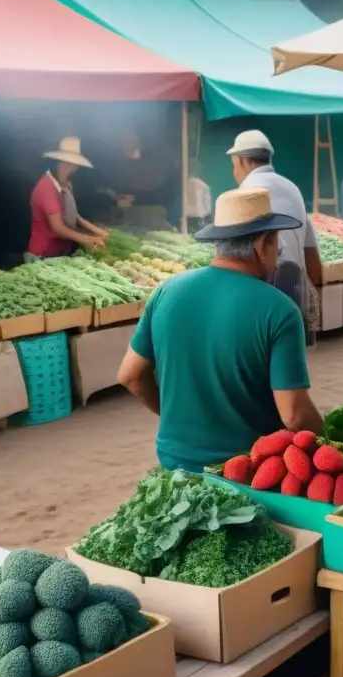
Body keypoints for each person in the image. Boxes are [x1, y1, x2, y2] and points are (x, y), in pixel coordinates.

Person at [117, 187, 323, 473]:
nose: (277, 253)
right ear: (263, 244)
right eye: (275, 243)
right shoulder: (279, 310)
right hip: (248, 471)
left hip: (175, 464)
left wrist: (174, 417)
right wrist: (330, 441)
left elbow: (130, 375)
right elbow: (295, 416)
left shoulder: (166, 292)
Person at [228, 130, 323, 342]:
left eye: (234, 164)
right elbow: (311, 252)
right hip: (295, 288)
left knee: (261, 361)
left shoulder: (245, 193)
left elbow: (236, 257)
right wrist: (316, 299)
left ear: (244, 160)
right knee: (291, 362)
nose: (234, 171)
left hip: (262, 293)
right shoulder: (292, 188)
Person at [26, 137, 107, 261]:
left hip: (59, 253)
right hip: (43, 254)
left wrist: (96, 231)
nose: (74, 169)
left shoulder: (65, 185)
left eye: (75, 166)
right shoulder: (46, 188)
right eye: (70, 165)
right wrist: (86, 240)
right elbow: (57, 227)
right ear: (60, 163)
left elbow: (74, 215)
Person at [184, 158, 212, 231]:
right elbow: (207, 208)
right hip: (199, 217)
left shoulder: (182, 185)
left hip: (186, 217)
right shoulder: (204, 186)